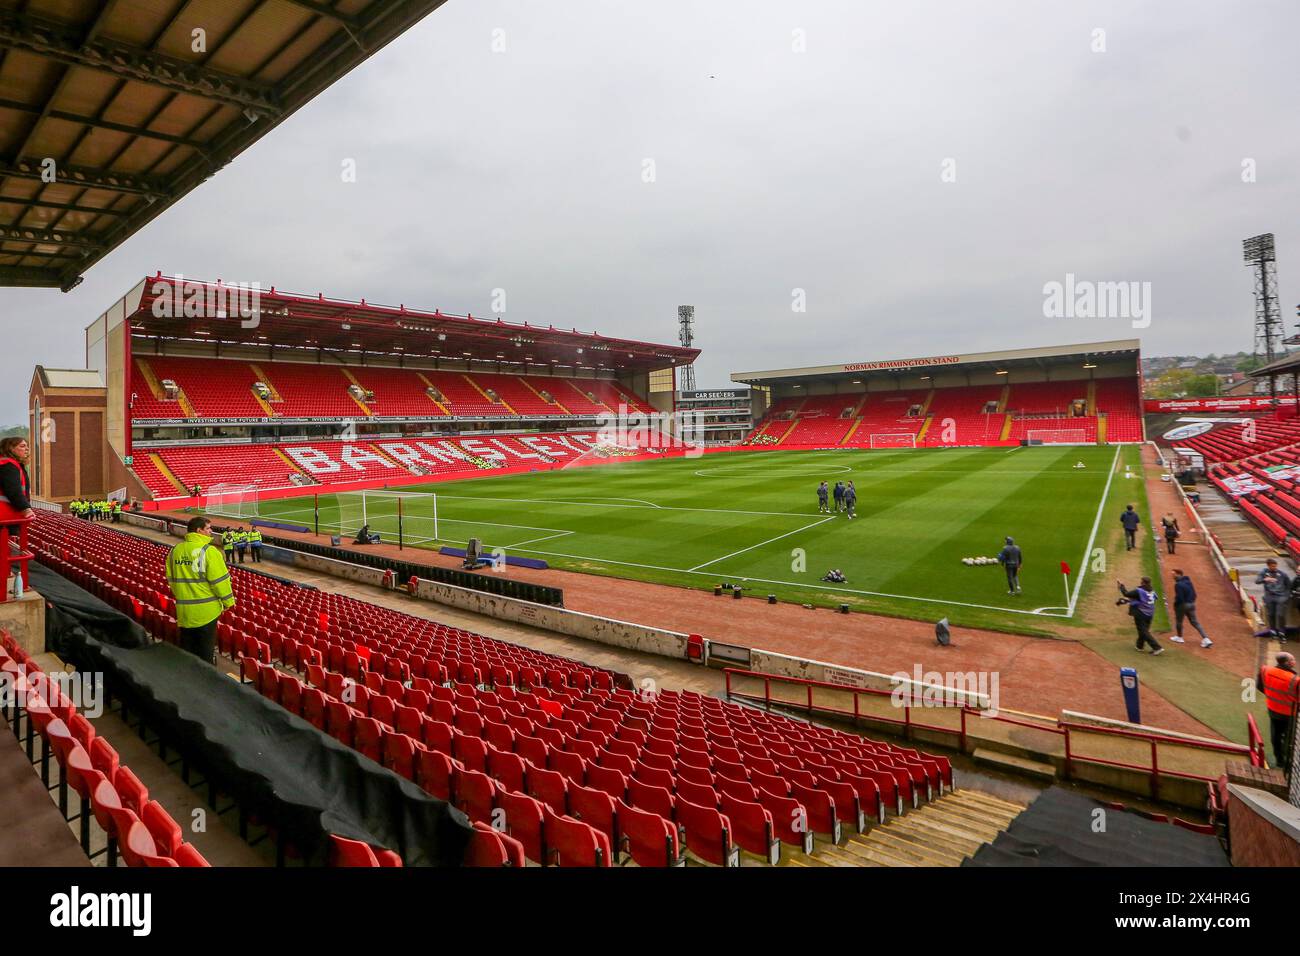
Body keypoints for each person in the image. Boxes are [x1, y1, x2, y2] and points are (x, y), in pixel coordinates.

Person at [166, 516, 235, 664]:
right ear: (199, 531)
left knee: (188, 653)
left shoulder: (175, 550)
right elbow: (220, 581)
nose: (211, 531)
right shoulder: (209, 551)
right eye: (208, 528)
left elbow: (171, 579)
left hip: (184, 611)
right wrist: (228, 601)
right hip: (206, 613)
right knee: (205, 655)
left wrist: (183, 595)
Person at [1256, 652, 1299, 771]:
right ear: (1288, 663)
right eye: (1293, 660)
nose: (1295, 662)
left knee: (1275, 735)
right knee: (1289, 739)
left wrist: (1271, 696)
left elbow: (1260, 686)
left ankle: (1279, 760)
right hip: (1290, 715)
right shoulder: (1295, 680)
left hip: (1273, 710)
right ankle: (1288, 763)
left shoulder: (1265, 670)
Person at [1118, 577, 1162, 654]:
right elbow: (1154, 598)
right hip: (1150, 613)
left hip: (1141, 613)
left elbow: (1126, 594)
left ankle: (1157, 647)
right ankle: (1139, 646)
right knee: (1144, 630)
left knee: (1143, 631)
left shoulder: (1139, 591)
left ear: (1143, 582)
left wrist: (1121, 586)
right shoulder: (1152, 591)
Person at [1169, 569, 1212, 648]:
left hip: (1182, 605)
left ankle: (1179, 637)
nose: (1172, 576)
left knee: (1179, 621)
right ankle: (1206, 639)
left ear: (1179, 574)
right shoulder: (1189, 582)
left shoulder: (1178, 585)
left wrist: (1176, 605)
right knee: (1195, 622)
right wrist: (1191, 602)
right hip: (1191, 604)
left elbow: (1179, 598)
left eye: (1174, 574)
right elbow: (1194, 594)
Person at [1256, 558, 1292, 639]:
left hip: (1280, 597)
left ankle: (1281, 631)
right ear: (1268, 566)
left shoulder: (1282, 574)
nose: (1274, 568)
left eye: (1275, 566)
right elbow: (1257, 581)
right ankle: (1273, 630)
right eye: (1272, 566)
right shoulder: (1264, 572)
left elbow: (1289, 585)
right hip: (1269, 596)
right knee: (1271, 614)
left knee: (1280, 614)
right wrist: (1265, 579)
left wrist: (1286, 596)